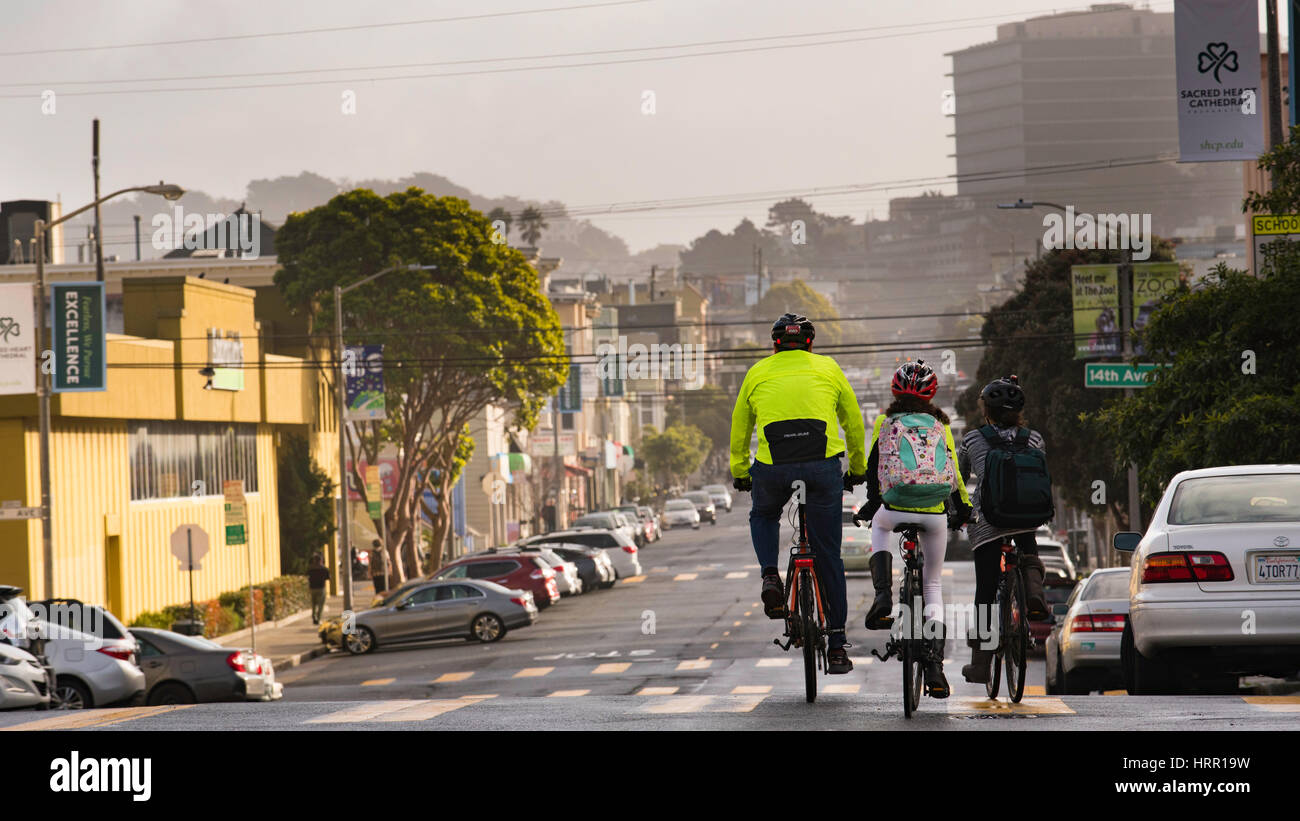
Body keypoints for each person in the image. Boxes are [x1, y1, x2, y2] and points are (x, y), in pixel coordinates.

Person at [730, 313, 868, 675]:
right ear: (810, 343)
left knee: (763, 514)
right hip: (823, 468)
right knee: (830, 559)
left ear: (775, 344)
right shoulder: (829, 368)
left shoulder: (757, 372)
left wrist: (740, 471)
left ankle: (770, 575)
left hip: (773, 467)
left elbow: (740, 426)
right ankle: (837, 646)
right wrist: (857, 468)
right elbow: (853, 421)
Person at [853, 360, 971, 699]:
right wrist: (962, 509)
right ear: (931, 395)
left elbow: (877, 467)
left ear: (894, 392)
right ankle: (934, 665)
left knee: (879, 528)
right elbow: (954, 476)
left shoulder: (884, 422)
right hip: (933, 514)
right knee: (932, 584)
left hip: (894, 508)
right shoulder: (940, 425)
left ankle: (883, 596)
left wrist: (872, 505)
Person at [957, 374, 1050, 685]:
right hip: (1026, 518)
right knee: (1028, 542)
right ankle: (1034, 593)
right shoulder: (1034, 439)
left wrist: (957, 513)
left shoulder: (972, 440)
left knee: (985, 590)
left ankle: (981, 664)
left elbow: (958, 479)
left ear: (987, 410)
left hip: (988, 523)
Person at [307, 553, 331, 625]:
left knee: (313, 604)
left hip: (312, 588)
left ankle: (314, 616)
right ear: (321, 560)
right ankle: (318, 617)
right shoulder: (324, 569)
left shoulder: (310, 569)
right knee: (321, 604)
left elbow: (307, 576)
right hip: (321, 588)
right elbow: (328, 578)